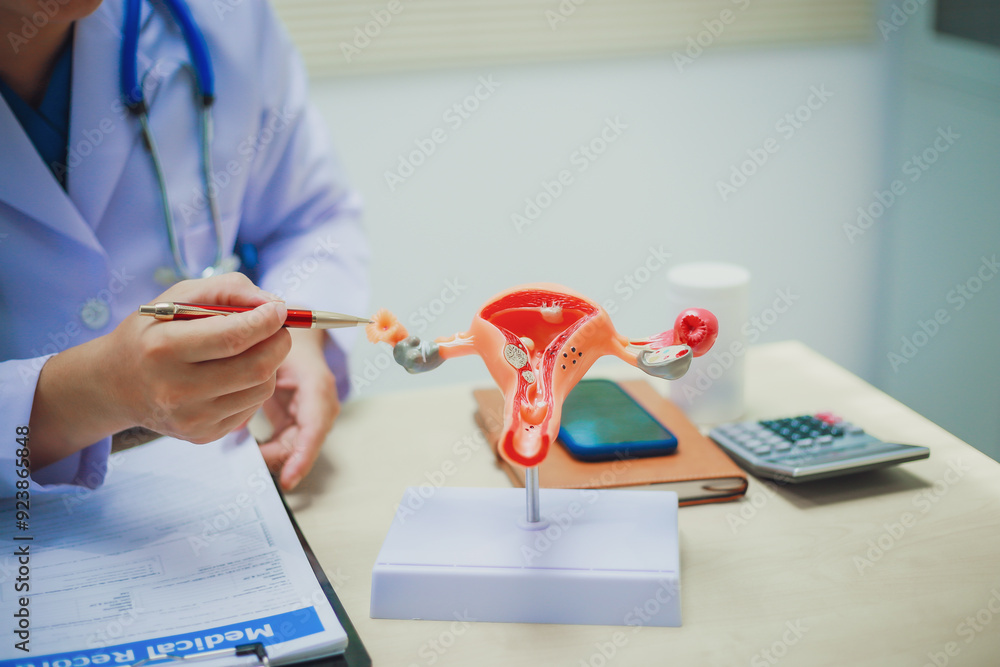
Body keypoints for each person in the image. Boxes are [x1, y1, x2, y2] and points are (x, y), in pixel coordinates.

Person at [0, 0, 369, 495]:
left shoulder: (224, 15)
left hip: (205, 491)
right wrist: (85, 394)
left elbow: (308, 220)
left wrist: (300, 338)